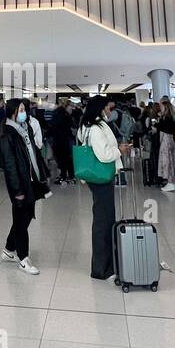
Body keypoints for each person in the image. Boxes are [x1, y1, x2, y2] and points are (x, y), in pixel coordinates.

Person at [78, 96, 132, 280]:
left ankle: (105, 264)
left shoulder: (86, 126)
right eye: (108, 108)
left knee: (104, 220)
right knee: (103, 222)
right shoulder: (95, 128)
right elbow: (103, 155)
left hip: (96, 178)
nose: (110, 112)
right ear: (100, 109)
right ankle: (101, 269)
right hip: (101, 178)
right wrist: (120, 150)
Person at [0, 98, 43, 275]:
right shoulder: (7, 134)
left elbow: (33, 153)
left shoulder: (24, 129)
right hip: (20, 184)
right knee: (21, 221)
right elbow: (10, 165)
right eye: (21, 110)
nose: (24, 113)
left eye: (25, 110)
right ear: (13, 112)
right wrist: (17, 190)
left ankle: (8, 249)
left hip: (30, 180)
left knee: (26, 216)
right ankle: (23, 258)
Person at [157, 96, 175, 192]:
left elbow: (163, 128)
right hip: (171, 140)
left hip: (166, 140)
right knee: (172, 160)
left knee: (167, 160)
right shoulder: (172, 116)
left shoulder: (165, 118)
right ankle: (173, 181)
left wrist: (157, 124)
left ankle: (170, 182)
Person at [49, 99, 75, 183]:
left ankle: (63, 175)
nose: (71, 109)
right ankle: (70, 175)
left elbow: (53, 127)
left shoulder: (57, 113)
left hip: (58, 140)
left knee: (61, 159)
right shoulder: (65, 115)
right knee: (67, 158)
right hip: (65, 139)